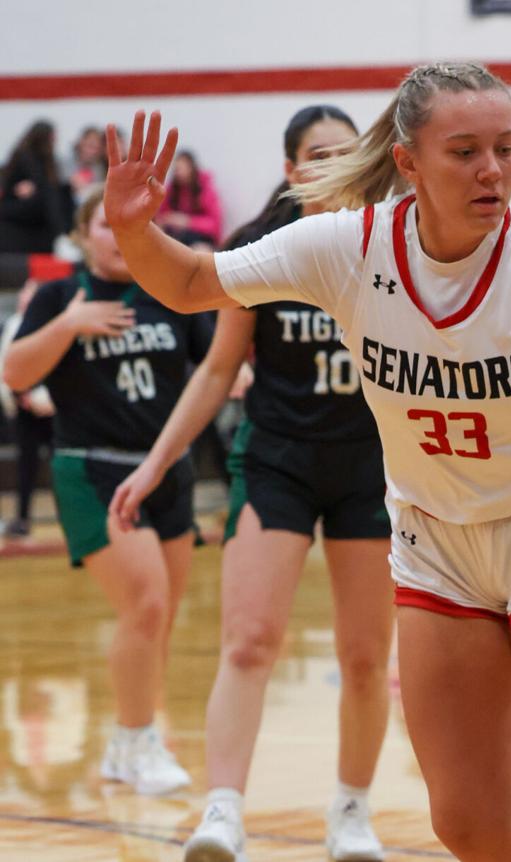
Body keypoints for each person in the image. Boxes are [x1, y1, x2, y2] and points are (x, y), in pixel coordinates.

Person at [102, 62, 511, 862]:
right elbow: (192, 283)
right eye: (464, 151)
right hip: (436, 543)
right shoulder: (347, 248)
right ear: (407, 161)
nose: (491, 169)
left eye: (505, 147)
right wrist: (135, 231)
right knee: (465, 822)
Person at [109, 104, 394, 862]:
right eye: (319, 154)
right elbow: (216, 370)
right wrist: (156, 462)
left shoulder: (393, 247)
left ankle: (353, 812)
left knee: (366, 656)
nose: (335, 164)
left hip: (372, 465)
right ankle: (223, 812)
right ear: (293, 169)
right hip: (279, 463)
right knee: (250, 641)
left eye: (348, 152)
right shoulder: (258, 251)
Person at [2, 186, 213, 795]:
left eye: (134, 225)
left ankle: (130, 743)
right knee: (145, 605)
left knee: (161, 617)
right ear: (83, 233)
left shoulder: (171, 290)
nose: (119, 236)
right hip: (92, 468)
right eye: (106, 225)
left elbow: (219, 366)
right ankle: (137, 739)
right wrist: (70, 325)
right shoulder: (59, 295)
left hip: (166, 471)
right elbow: (15, 374)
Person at [0, 279, 56, 538]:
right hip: (24, 408)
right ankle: (22, 519)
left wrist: (49, 400)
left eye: (32, 294)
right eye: (24, 293)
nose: (25, 297)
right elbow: (5, 368)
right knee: (26, 466)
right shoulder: (12, 325)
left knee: (62, 465)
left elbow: (60, 367)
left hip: (54, 410)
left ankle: (71, 517)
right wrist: (22, 397)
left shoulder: (55, 325)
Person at [0, 120, 72, 254]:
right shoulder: (24, 155)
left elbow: (43, 184)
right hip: (13, 205)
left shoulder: (45, 158)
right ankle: (61, 236)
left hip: (32, 203)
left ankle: (63, 236)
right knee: (49, 196)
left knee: (61, 193)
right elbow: (40, 183)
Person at [157, 150, 222, 248]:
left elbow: (215, 225)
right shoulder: (172, 189)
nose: (178, 172)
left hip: (200, 239)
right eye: (176, 169)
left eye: (181, 168)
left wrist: (188, 222)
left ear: (191, 168)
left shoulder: (205, 190)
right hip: (176, 237)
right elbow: (161, 215)